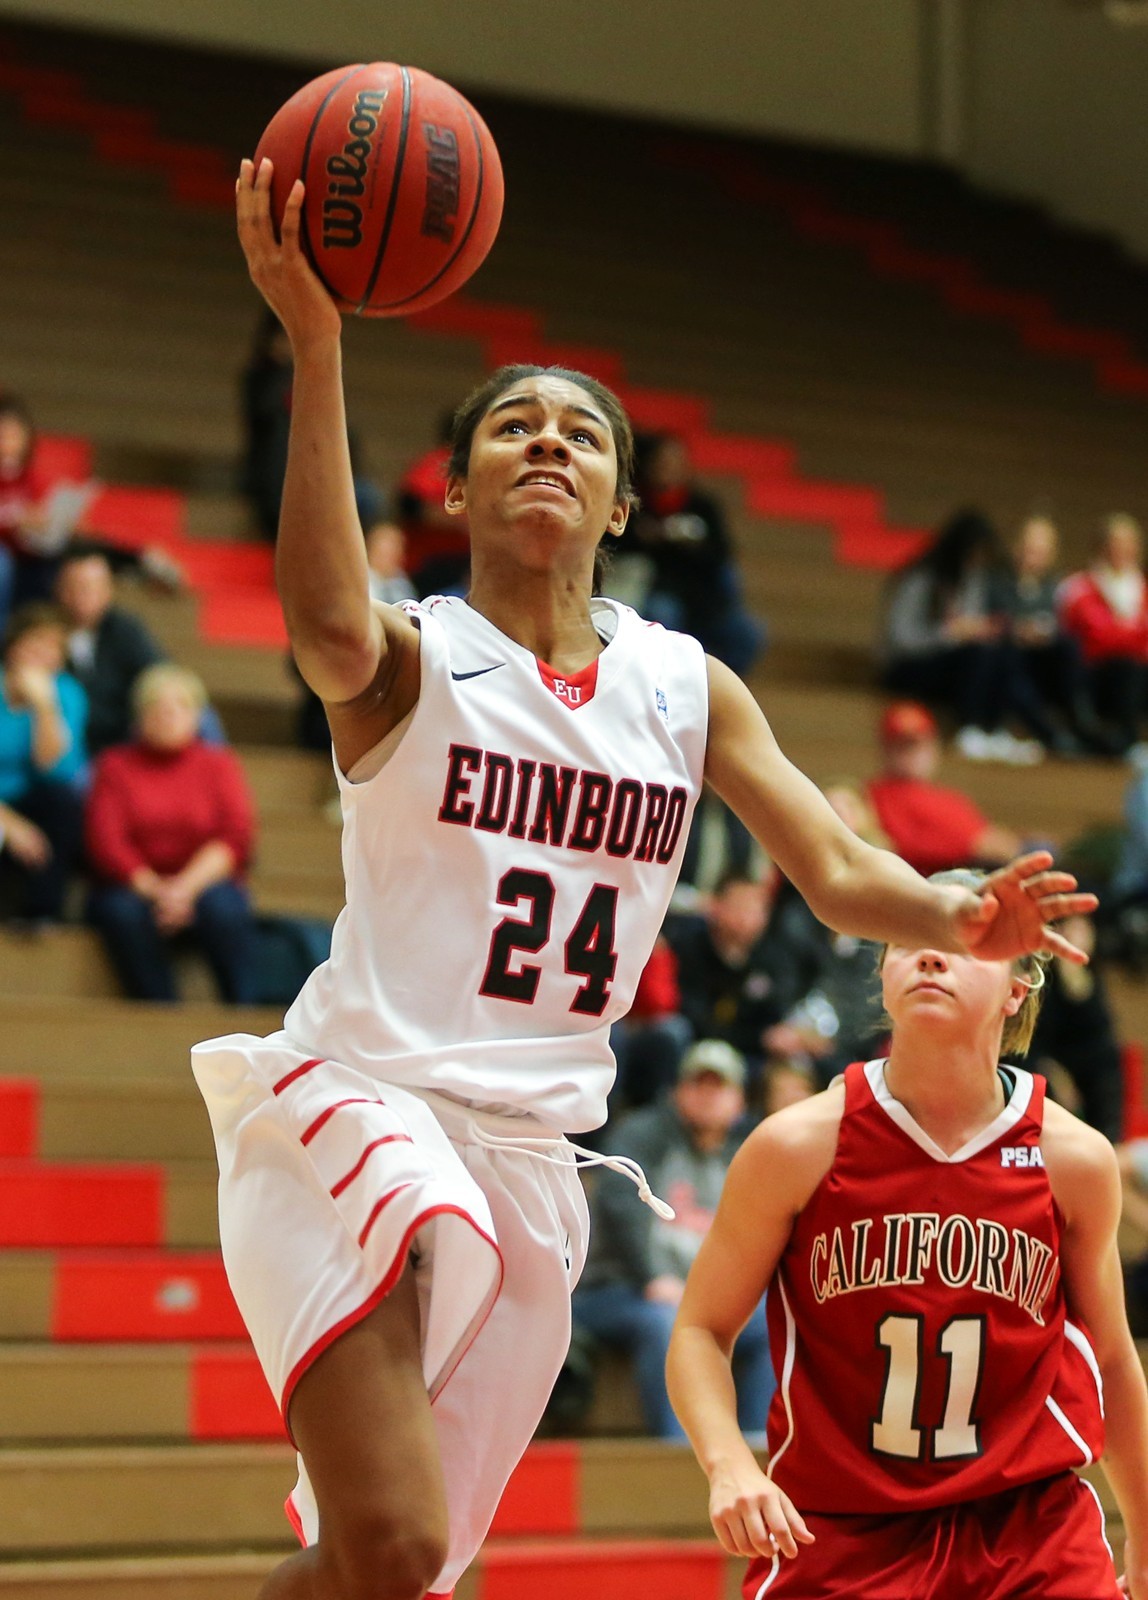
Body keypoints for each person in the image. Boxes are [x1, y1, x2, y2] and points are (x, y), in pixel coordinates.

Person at [199, 155, 1095, 1600]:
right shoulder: (417, 657)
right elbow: (319, 624)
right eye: (510, 428)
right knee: (409, 1544)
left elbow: (837, 863)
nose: (547, 445)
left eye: (580, 435)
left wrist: (951, 909)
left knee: (391, 1571)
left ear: (623, 500)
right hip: (360, 1107)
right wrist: (317, 342)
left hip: (530, 1156)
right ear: (458, 485)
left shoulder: (683, 686)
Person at [667, 867, 1147, 1600]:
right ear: (884, 976)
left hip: (1028, 1530)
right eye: (909, 940)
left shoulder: (1071, 1159)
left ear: (1018, 987)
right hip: (839, 1529)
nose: (930, 954)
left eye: (963, 941)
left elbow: (1112, 1358)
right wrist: (728, 1462)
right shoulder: (796, 1146)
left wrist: (1144, 1544)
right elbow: (700, 1329)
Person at [573, 1039, 771, 1440]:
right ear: (679, 1092)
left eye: (720, 1087)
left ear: (739, 1101)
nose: (708, 1096)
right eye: (698, 1085)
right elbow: (621, 1207)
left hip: (697, 1295)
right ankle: (681, 1454)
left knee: (772, 1321)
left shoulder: (748, 1153)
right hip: (619, 1289)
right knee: (666, 1323)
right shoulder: (641, 1136)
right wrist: (654, 1277)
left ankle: (756, 1451)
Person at [85, 664, 259, 1002]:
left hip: (203, 883)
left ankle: (245, 1012)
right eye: (156, 707)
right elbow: (106, 841)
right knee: (122, 912)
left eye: (179, 706)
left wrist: (183, 889)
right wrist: (156, 889)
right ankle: (160, 1011)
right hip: (134, 885)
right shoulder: (114, 766)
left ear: (197, 716)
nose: (167, 716)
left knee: (225, 908)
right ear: (138, 716)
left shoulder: (218, 764)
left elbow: (235, 836)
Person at [878, 507, 1041, 764]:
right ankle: (971, 726)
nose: (976, 562)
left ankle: (995, 728)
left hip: (951, 659)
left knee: (999, 648)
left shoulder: (971, 579)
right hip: (910, 665)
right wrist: (950, 634)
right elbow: (902, 639)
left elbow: (971, 625)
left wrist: (978, 630)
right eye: (973, 554)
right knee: (975, 654)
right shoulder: (921, 579)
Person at [611, 430, 765, 677]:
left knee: (747, 633)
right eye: (662, 462)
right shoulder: (632, 504)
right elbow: (620, 550)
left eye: (675, 462)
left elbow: (721, 553)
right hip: (654, 592)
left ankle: (718, 696)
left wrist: (693, 544)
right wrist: (649, 538)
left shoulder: (703, 506)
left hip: (701, 595)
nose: (668, 468)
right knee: (663, 615)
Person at [0, 601, 88, 923]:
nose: (44, 653)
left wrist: (45, 706)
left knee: (62, 801)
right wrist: (9, 824)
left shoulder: (67, 693)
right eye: (36, 642)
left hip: (30, 796)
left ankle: (42, 914)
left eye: (54, 647)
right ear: (13, 646)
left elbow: (55, 768)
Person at [867, 700, 1025, 878]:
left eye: (916, 745)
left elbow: (991, 837)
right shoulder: (873, 798)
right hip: (933, 883)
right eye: (900, 745)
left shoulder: (950, 797)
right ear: (885, 748)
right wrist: (969, 846)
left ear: (933, 747)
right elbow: (896, 846)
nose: (909, 754)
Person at [54, 545, 165, 756]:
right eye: (72, 587)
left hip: (120, 738)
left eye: (89, 588)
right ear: (58, 589)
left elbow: (160, 673)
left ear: (108, 590)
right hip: (62, 744)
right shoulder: (43, 629)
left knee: (191, 705)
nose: (80, 596)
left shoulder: (125, 629)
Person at [1059, 513, 1148, 757]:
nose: (1122, 549)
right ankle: (1123, 741)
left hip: (1138, 674)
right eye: (1116, 542)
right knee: (1127, 665)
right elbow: (1095, 638)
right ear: (1102, 546)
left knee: (1134, 668)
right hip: (1095, 674)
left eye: (1129, 543)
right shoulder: (1080, 587)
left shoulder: (1143, 590)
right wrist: (1133, 635)